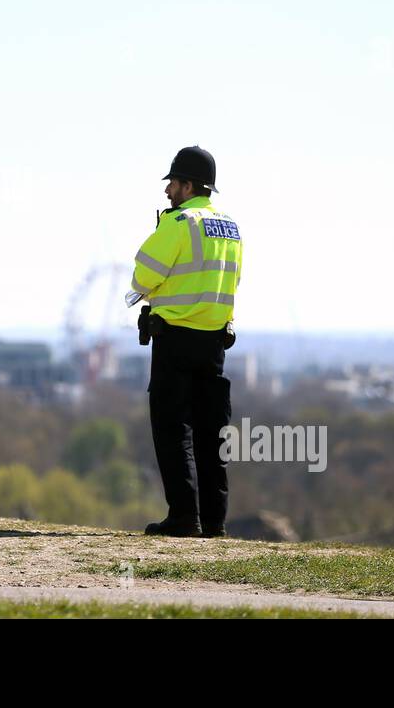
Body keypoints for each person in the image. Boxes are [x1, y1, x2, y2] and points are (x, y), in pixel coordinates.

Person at [128, 145, 242, 537]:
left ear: (188, 184)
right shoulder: (231, 228)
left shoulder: (178, 223)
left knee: (173, 428)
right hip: (214, 343)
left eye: (172, 183)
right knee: (213, 431)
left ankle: (184, 518)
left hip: (175, 339)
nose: (167, 191)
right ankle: (214, 521)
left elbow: (142, 278)